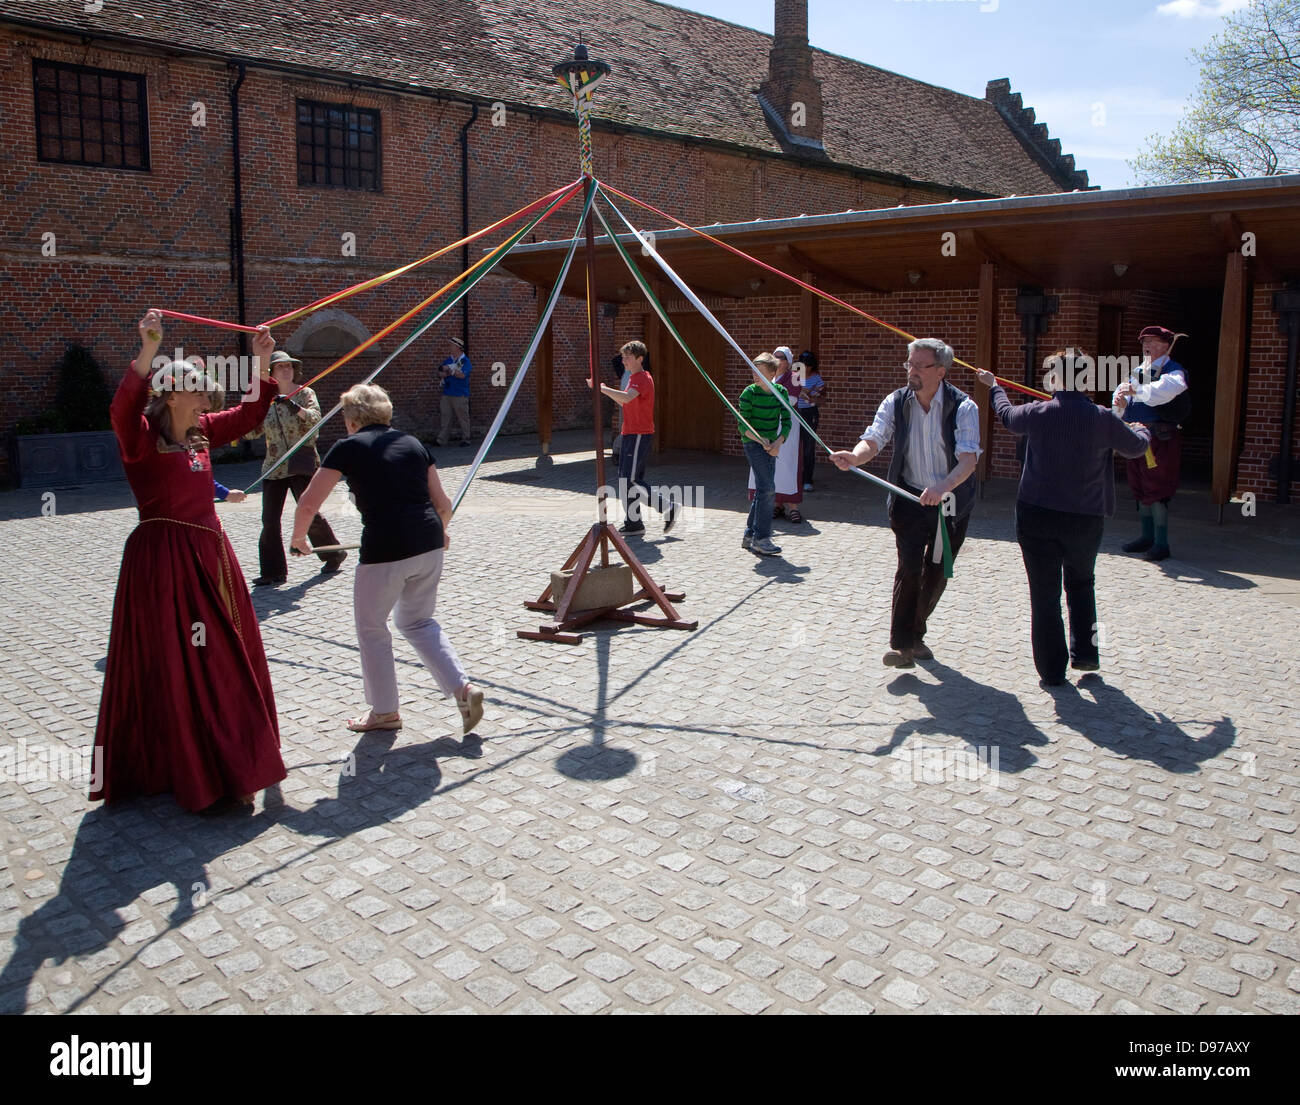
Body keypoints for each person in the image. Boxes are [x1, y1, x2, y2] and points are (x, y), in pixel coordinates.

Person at [92, 309, 286, 811]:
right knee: (184, 660)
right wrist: (149, 348)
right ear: (173, 393)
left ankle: (228, 760)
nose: (206, 398)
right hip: (163, 562)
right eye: (199, 390)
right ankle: (190, 766)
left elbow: (248, 417)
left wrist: (262, 364)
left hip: (211, 554)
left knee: (222, 653)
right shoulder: (140, 438)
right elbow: (122, 406)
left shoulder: (201, 432)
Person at [290, 383, 485, 736]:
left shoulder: (346, 447)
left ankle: (384, 712)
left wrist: (298, 537)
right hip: (428, 544)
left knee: (372, 628)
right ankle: (463, 689)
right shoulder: (413, 444)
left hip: (385, 550)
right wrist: (439, 531)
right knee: (418, 622)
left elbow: (307, 502)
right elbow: (443, 505)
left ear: (351, 420)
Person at [976, 356, 1153, 686]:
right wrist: (1139, 426)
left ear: (1055, 381)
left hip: (1036, 514)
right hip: (1085, 519)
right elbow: (1136, 447)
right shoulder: (1102, 418)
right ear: (1086, 382)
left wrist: (995, 387)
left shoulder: (1039, 412)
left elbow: (1007, 416)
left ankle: (1052, 671)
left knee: (1044, 595)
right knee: (1083, 584)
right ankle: (1086, 654)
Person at [830, 337, 980, 667]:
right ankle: (902, 645)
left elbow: (968, 460)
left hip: (950, 505)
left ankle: (916, 633)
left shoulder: (964, 407)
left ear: (940, 371)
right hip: (908, 499)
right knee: (909, 568)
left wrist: (944, 486)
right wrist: (855, 457)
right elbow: (875, 437)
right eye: (908, 364)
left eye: (918, 365)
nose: (911, 371)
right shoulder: (896, 401)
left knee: (938, 570)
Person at [249, 350, 344, 586]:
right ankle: (273, 572)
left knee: (309, 512)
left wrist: (293, 406)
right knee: (269, 519)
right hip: (274, 466)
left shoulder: (305, 393)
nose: (285, 370)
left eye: (289, 366)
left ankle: (333, 553)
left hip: (300, 462)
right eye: (280, 367)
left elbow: (315, 418)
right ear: (271, 372)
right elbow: (253, 431)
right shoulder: (264, 399)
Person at [1113, 325, 1189, 562]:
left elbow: (1166, 391)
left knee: (1157, 490)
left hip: (1159, 439)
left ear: (1167, 345)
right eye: (1145, 342)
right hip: (1135, 435)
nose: (1147, 346)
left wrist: (1137, 390)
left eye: (1154, 342)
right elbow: (1121, 400)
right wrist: (1120, 403)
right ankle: (1146, 536)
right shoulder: (1137, 371)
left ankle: (1161, 543)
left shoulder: (1174, 372)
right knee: (1139, 487)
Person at [589, 340, 680, 536]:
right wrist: (604, 390)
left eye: (627, 357)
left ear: (640, 358)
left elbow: (627, 398)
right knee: (627, 481)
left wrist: (601, 389)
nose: (623, 361)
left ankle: (667, 506)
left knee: (630, 479)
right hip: (629, 433)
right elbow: (625, 402)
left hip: (639, 433)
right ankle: (634, 523)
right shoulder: (632, 378)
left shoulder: (641, 378)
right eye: (623, 357)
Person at [739, 352, 790, 557]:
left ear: (772, 373)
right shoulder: (748, 393)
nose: (755, 375)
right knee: (768, 488)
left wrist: (777, 443)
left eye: (760, 371)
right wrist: (762, 441)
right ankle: (762, 538)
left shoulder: (781, 393)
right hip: (753, 443)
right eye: (753, 370)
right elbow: (743, 425)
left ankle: (750, 534)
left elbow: (787, 422)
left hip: (771, 444)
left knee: (763, 489)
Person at [768, 345, 805, 523]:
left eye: (782, 357)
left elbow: (791, 399)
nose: (778, 360)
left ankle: (792, 506)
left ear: (788, 362)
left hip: (787, 427)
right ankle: (777, 503)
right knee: (774, 465)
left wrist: (768, 398)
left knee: (789, 463)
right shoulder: (768, 377)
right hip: (770, 426)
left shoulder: (796, 376)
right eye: (775, 356)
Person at [795, 349, 826, 492]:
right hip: (795, 412)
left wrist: (813, 398)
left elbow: (822, 398)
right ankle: (795, 477)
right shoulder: (795, 375)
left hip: (809, 413)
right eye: (803, 365)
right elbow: (789, 391)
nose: (806, 368)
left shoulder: (817, 378)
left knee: (808, 447)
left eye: (808, 365)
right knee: (794, 446)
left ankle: (807, 479)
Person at [436, 335, 473, 447]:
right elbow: (440, 373)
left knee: (463, 417)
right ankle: (442, 440)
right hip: (447, 392)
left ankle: (466, 438)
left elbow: (462, 375)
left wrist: (450, 371)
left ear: (458, 347)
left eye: (452, 345)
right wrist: (450, 371)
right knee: (445, 416)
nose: (450, 347)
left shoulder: (465, 361)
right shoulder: (449, 360)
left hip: (460, 394)